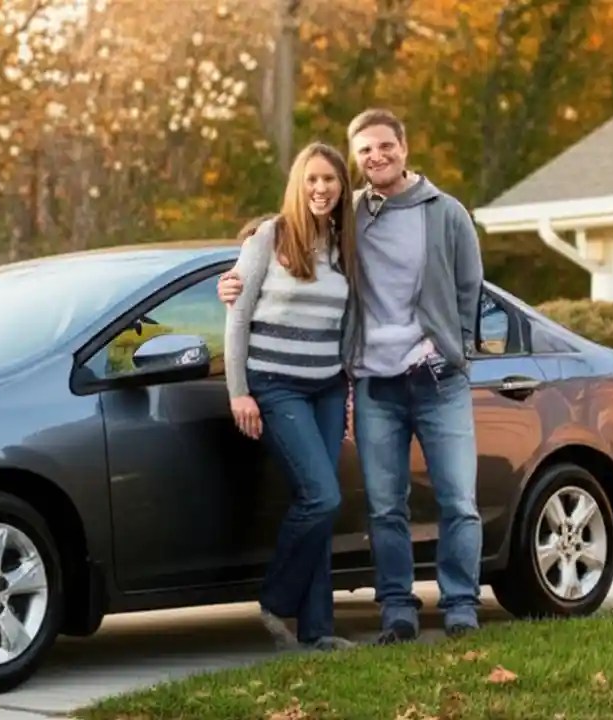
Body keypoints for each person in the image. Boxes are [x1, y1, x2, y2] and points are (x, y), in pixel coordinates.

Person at [219, 108, 485, 645]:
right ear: (355, 161)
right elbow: (267, 262)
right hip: (369, 384)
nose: (377, 156)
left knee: (459, 501)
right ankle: (396, 612)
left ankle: (459, 607)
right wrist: (229, 282)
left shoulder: (442, 212)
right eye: (365, 150)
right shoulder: (343, 217)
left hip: (433, 380)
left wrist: (458, 350)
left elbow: (469, 287)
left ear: (404, 148)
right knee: (382, 507)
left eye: (386, 146)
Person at [223, 142, 357, 652]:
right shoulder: (268, 237)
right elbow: (237, 317)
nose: (321, 189)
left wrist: (346, 390)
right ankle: (277, 603)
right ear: (298, 185)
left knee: (316, 505)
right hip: (275, 386)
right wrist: (240, 392)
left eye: (330, 180)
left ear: (342, 187)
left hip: (326, 387)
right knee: (322, 496)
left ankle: (319, 631)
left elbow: (344, 325)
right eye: (312, 180)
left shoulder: (345, 245)